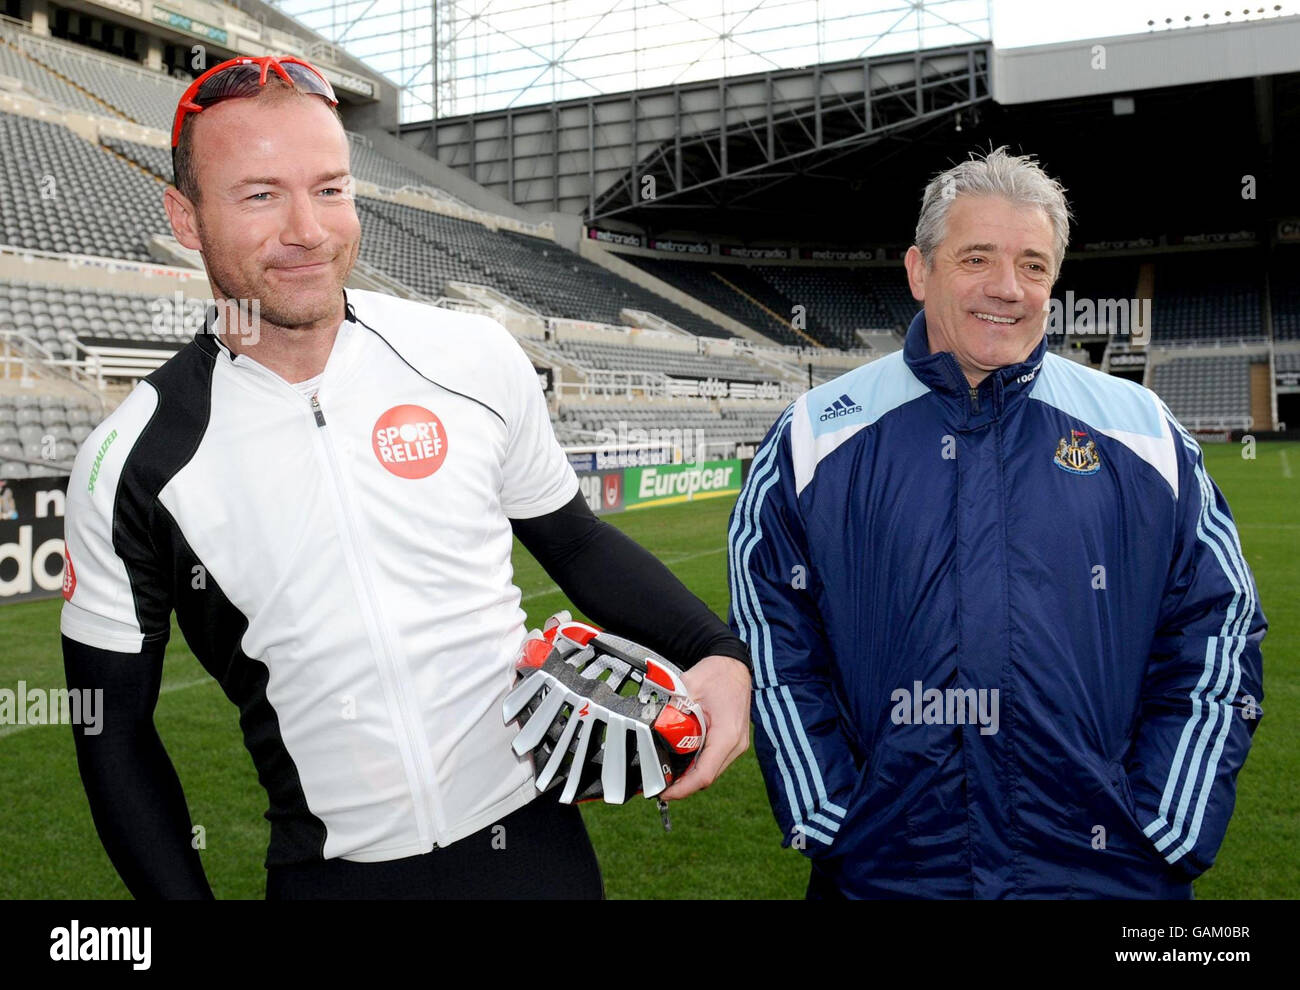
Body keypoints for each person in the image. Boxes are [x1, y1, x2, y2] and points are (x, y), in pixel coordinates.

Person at [59, 55, 752, 900]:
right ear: (186, 217)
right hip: (332, 878)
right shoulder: (128, 459)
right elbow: (113, 733)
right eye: (259, 194)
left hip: (535, 853)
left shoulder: (472, 354)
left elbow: (573, 539)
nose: (307, 228)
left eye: (330, 188)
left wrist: (716, 653)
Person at [728, 146, 1265, 899]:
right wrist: (833, 816)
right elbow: (771, 635)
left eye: (1034, 266)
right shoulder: (815, 435)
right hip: (888, 873)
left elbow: (1221, 624)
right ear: (920, 272)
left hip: (1109, 875)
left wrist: (1168, 819)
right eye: (977, 258)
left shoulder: (1143, 431)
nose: (1008, 289)